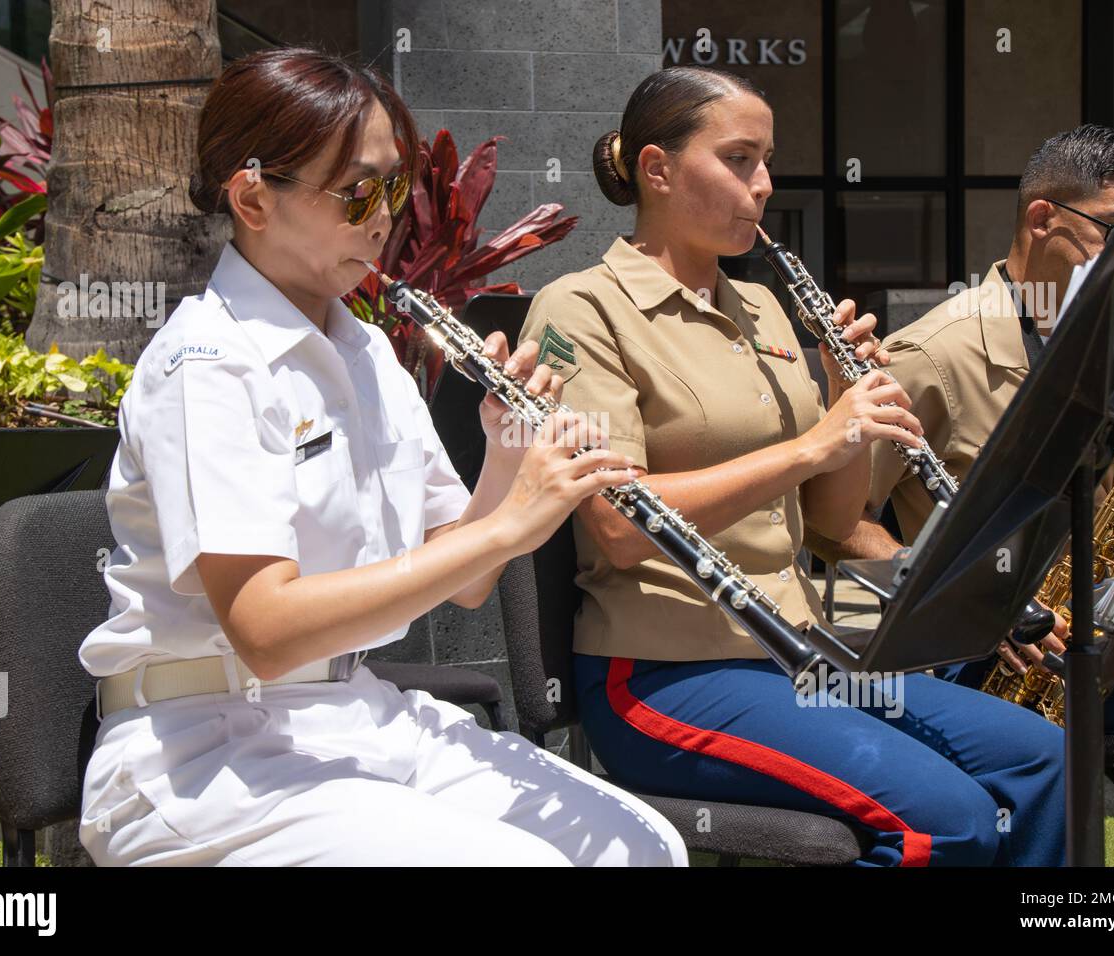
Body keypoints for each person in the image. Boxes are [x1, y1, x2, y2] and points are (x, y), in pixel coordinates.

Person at [75, 47, 689, 867]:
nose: (387, 216)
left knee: (646, 848)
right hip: (200, 752)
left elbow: (463, 580)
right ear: (254, 196)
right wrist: (512, 528)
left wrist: (506, 457)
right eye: (359, 191)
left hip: (353, 711)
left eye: (397, 186)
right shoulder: (209, 365)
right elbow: (265, 631)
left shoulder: (364, 349)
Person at [518, 65, 1067, 866]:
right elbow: (614, 525)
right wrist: (813, 442)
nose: (764, 184)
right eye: (739, 159)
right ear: (657, 169)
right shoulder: (581, 309)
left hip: (803, 653)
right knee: (946, 819)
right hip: (664, 672)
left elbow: (836, 522)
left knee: (1040, 753)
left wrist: (850, 403)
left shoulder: (766, 308)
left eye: (767, 161)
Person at [817, 124, 1114, 754]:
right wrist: (970, 603)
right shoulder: (932, 353)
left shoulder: (1107, 339)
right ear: (1043, 217)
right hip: (1001, 662)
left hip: (1104, 625)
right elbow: (834, 524)